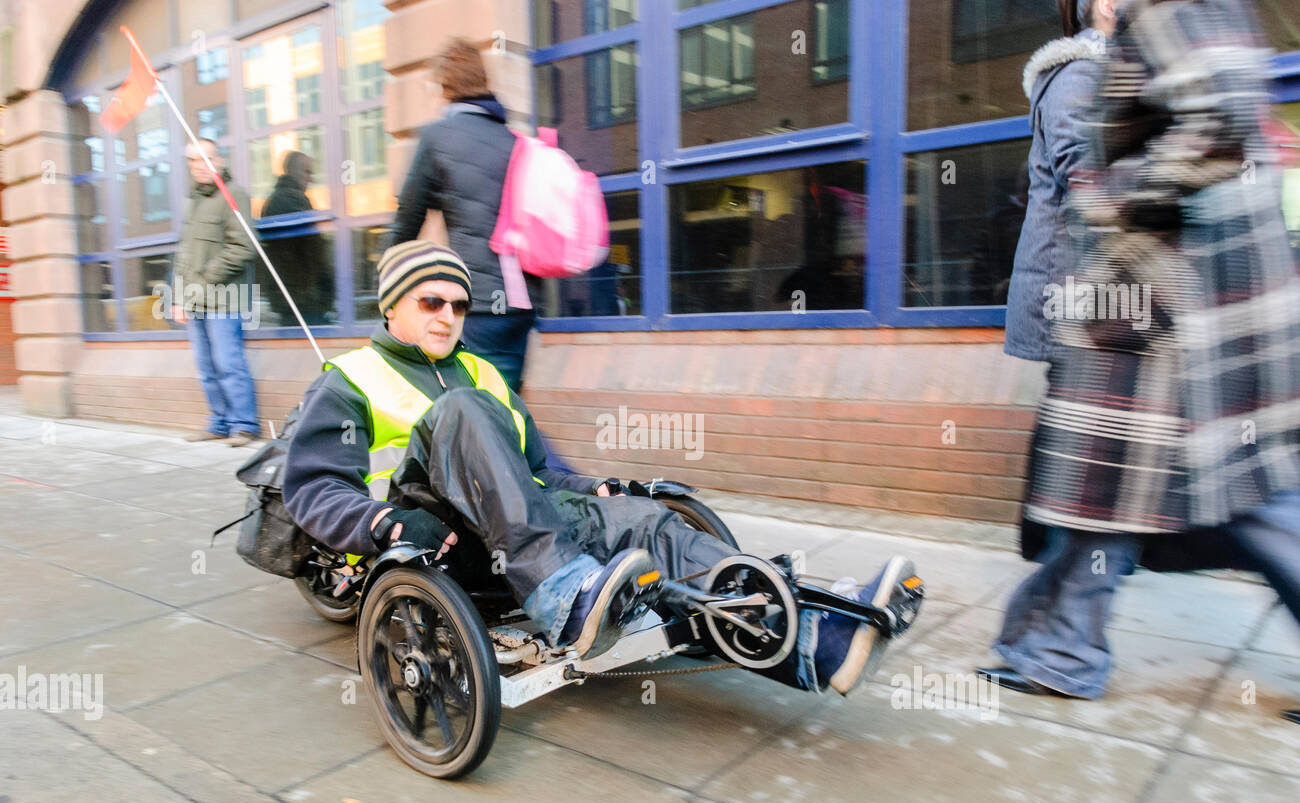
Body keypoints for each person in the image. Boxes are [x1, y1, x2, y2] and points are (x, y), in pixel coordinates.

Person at [284, 241, 924, 695]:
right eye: (431, 302)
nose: (448, 316)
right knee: (462, 411)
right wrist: (387, 524)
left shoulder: (481, 372)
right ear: (393, 307)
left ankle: (813, 636)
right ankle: (565, 597)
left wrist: (591, 489)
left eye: (458, 305)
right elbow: (310, 489)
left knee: (646, 522)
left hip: (520, 523)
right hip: (438, 536)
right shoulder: (351, 380)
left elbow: (536, 470)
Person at [980, 0, 1300, 726]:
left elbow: (1213, 130)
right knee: (1118, 489)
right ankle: (1059, 651)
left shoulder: (1175, 6)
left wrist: (1113, 198)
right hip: (1174, 300)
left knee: (1243, 491)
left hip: (1179, 302)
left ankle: (1058, 651)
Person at [391, 38, 538, 394]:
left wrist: (391, 279)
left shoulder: (438, 136)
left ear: (447, 86)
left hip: (475, 304)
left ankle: (532, 453)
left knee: (473, 417)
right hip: (522, 304)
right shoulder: (515, 140)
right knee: (505, 411)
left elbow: (408, 218)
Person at [1002, 0, 1115, 361]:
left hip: (1088, 283)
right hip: (1069, 286)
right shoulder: (1080, 73)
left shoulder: (1102, 73)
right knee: (1082, 405)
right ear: (1109, 5)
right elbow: (1082, 173)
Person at [173, 137, 260, 446]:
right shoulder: (193, 201)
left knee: (229, 363)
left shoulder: (233, 195)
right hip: (194, 301)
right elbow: (184, 256)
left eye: (204, 159)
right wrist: (178, 297)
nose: (198, 166)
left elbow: (244, 247)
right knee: (206, 368)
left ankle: (244, 425)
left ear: (219, 161)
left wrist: (205, 278)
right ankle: (219, 422)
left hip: (225, 300)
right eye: (192, 161)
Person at [259, 151, 331, 326]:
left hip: (290, 298)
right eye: (307, 172)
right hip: (301, 299)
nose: (310, 179)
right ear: (292, 171)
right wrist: (323, 292)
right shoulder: (293, 200)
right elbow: (312, 253)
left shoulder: (275, 200)